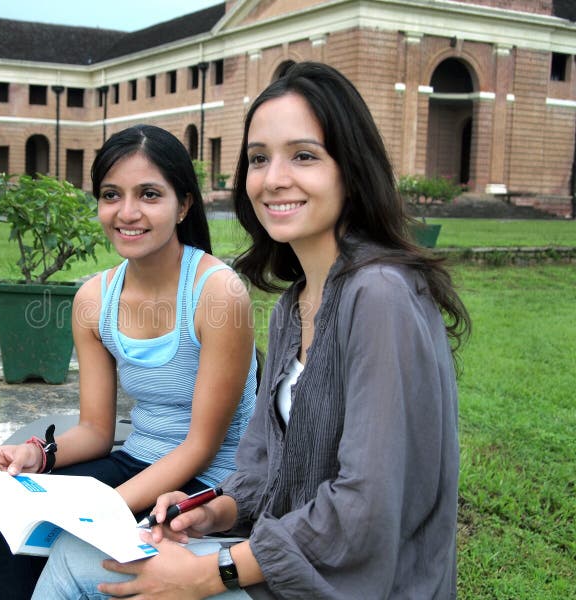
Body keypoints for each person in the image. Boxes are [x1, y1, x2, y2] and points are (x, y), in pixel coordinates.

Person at [32, 61, 471, 599]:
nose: (274, 178)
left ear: (350, 169)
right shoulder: (294, 305)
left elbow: (367, 506)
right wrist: (211, 511)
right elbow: (265, 468)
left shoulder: (380, 295)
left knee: (81, 566)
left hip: (354, 584)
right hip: (281, 558)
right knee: (79, 554)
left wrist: (210, 573)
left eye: (304, 156)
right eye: (259, 159)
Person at [0, 124, 258, 599]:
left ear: (183, 205)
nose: (127, 212)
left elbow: (200, 446)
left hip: (206, 481)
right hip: (135, 459)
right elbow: (96, 430)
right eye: (111, 194)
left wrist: (97, 509)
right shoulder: (93, 298)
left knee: (80, 534)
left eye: (148, 194)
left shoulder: (217, 292)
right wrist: (37, 455)